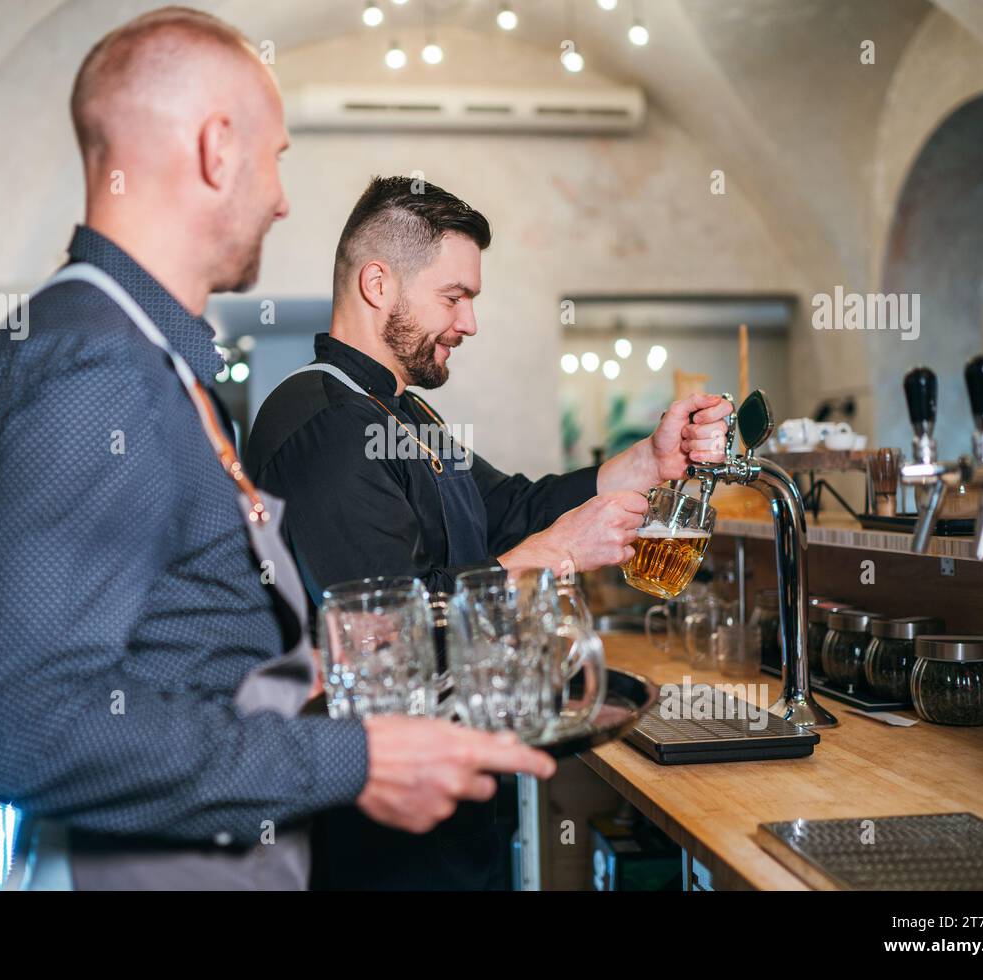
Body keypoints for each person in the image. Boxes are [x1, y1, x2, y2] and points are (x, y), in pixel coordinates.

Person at [0, 8, 554, 891]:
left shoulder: (148, 355)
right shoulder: (98, 368)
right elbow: (30, 724)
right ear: (217, 148)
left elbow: (186, 664)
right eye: (276, 158)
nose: (281, 196)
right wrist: (353, 761)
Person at [244, 176, 731, 889]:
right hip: (385, 832)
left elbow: (515, 507)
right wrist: (556, 554)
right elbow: (384, 632)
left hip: (454, 801)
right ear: (379, 284)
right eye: (454, 297)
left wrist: (648, 462)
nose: (469, 323)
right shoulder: (326, 425)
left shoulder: (404, 417)